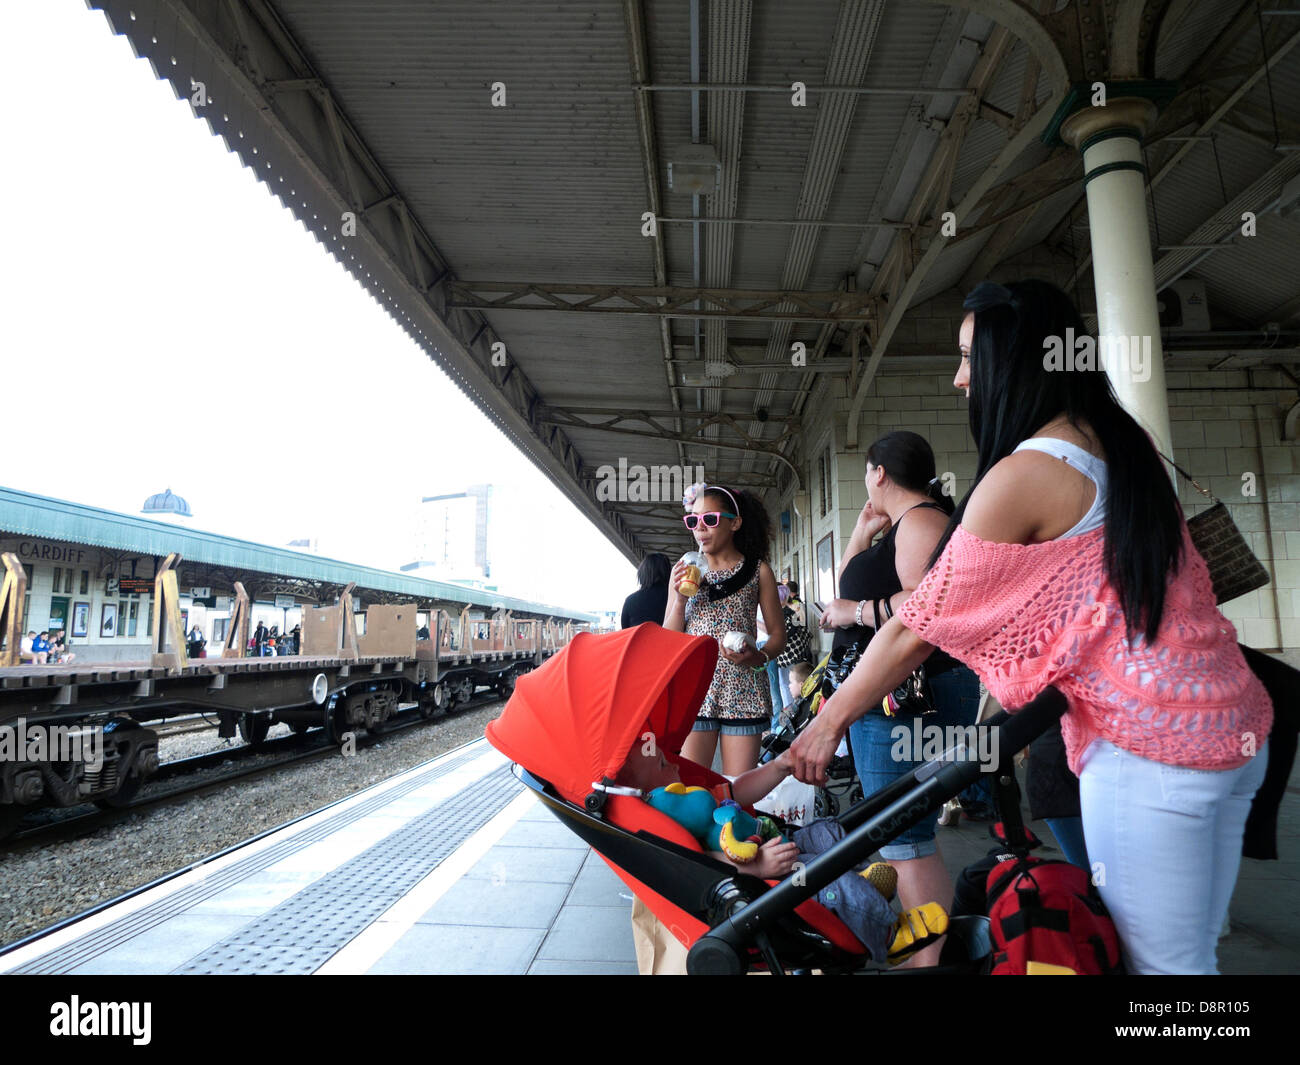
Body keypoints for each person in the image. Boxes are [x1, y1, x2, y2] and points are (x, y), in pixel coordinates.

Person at [790, 279, 1272, 975]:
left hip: (1151, 749)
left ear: (1015, 362)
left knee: (1164, 973)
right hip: (1231, 725)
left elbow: (918, 623)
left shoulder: (1025, 474)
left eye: (968, 358)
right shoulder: (1119, 439)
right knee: (1193, 956)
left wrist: (826, 721)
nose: (960, 379)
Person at [814, 429, 981, 966]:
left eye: (866, 472)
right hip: (898, 698)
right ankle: (937, 955)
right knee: (904, 835)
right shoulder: (905, 525)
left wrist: (855, 615)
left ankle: (934, 960)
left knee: (904, 837)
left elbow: (925, 609)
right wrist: (862, 533)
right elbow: (847, 589)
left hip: (909, 697)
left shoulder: (921, 522)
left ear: (878, 473)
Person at [664, 482, 785, 776]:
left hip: (744, 691)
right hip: (697, 691)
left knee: (738, 791)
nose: (700, 528)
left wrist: (759, 658)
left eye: (710, 519)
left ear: (735, 523)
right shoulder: (682, 569)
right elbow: (668, 639)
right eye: (693, 520)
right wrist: (679, 600)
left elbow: (778, 635)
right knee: (691, 789)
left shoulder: (759, 571)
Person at [621, 553, 671, 628]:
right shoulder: (674, 599)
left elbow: (625, 631)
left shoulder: (630, 601)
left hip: (639, 639)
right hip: (669, 639)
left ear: (642, 573)